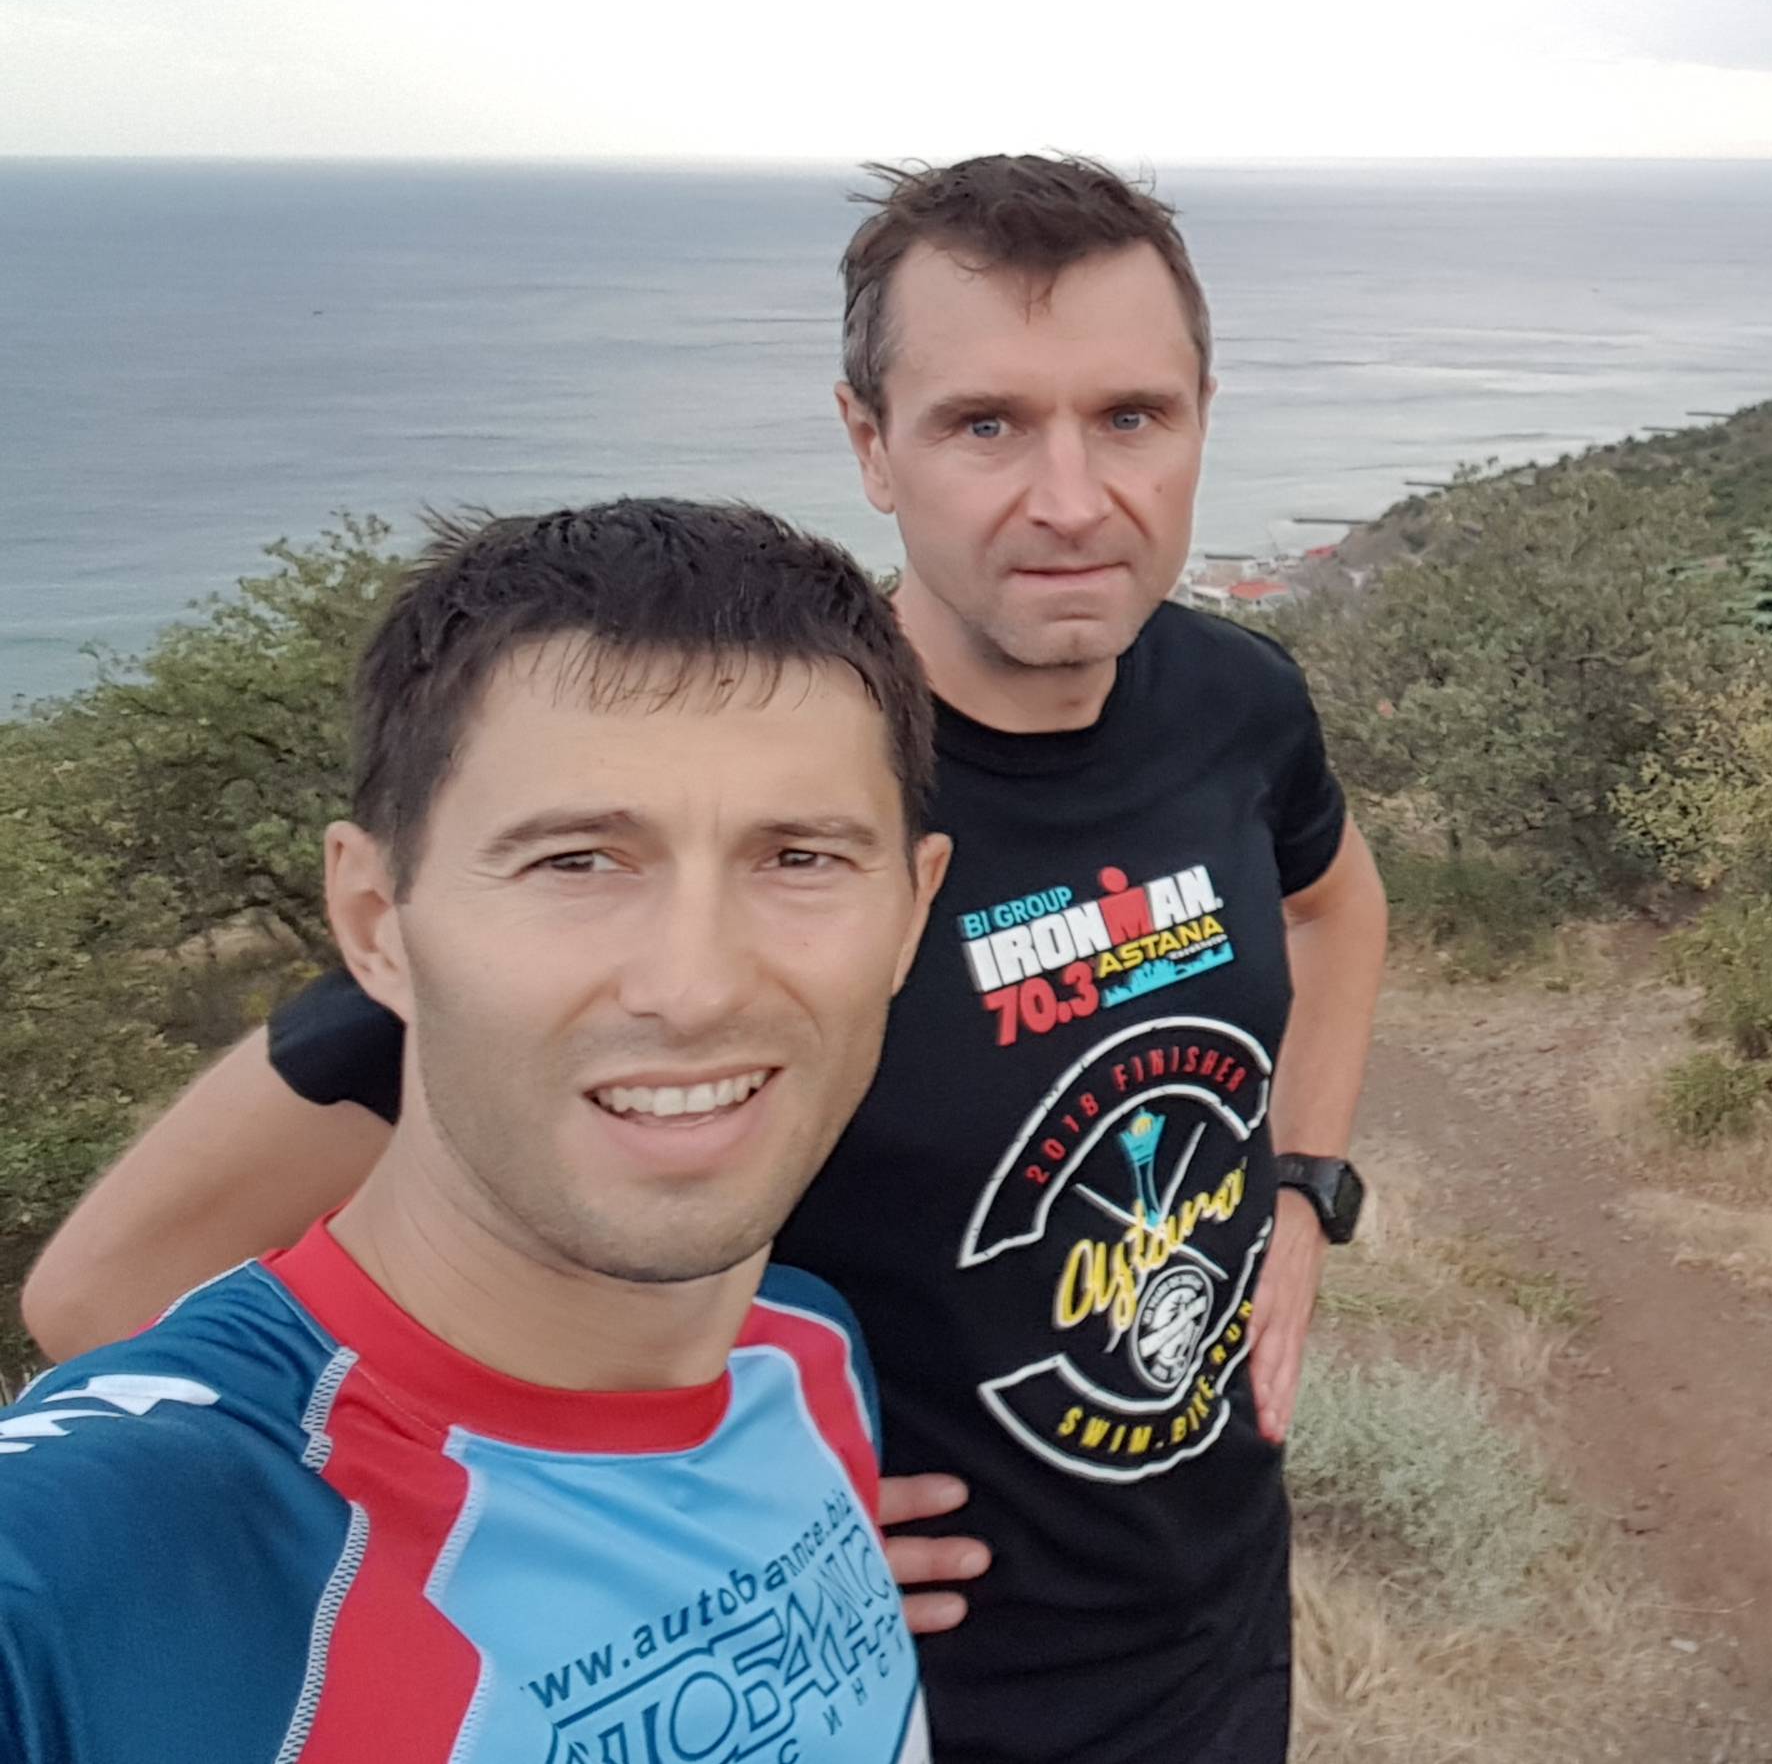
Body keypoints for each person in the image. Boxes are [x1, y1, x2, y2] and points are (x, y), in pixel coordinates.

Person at [20, 155, 1391, 1764]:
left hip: (1217, 1621)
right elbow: (106, 1288)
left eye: (1132, 416)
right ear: (869, 443)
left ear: (1204, 418)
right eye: (985, 424)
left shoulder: (1232, 699)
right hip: (912, 1690)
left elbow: (1334, 904)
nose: (1074, 498)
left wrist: (1302, 1184)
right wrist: (685, 1520)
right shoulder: (766, 796)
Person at [0, 499, 950, 1761]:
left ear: (910, 913)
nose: (697, 986)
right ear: (375, 921)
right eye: (577, 861)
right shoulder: (134, 1542)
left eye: (800, 858)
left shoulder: (807, 1348)